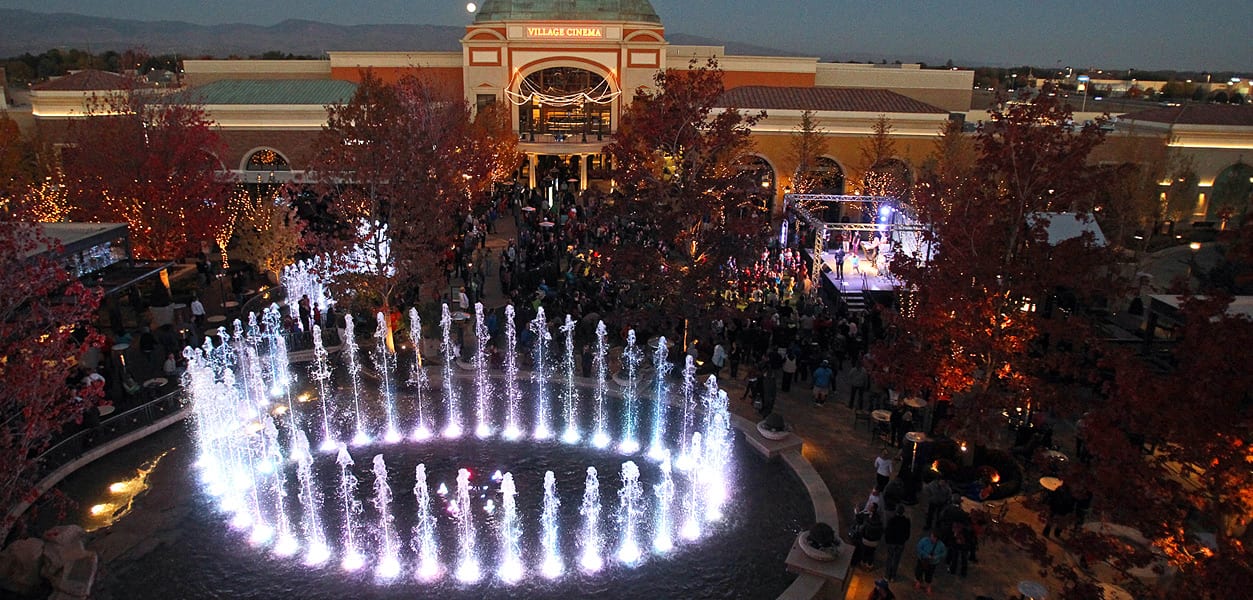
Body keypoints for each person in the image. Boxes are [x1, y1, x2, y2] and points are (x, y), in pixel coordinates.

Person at [913, 531, 947, 595]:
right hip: (922, 560)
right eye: (931, 536)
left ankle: (928, 586)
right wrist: (926, 555)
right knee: (919, 572)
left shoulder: (941, 545)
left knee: (929, 575)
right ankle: (919, 582)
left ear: (937, 538)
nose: (931, 538)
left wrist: (936, 557)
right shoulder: (925, 540)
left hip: (932, 563)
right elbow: (918, 547)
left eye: (933, 537)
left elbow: (944, 553)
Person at [883, 505, 911, 582]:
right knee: (896, 560)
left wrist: (887, 541)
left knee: (889, 558)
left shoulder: (892, 520)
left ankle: (887, 575)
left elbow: (887, 531)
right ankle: (893, 576)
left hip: (891, 542)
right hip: (900, 543)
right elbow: (907, 534)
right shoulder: (906, 521)